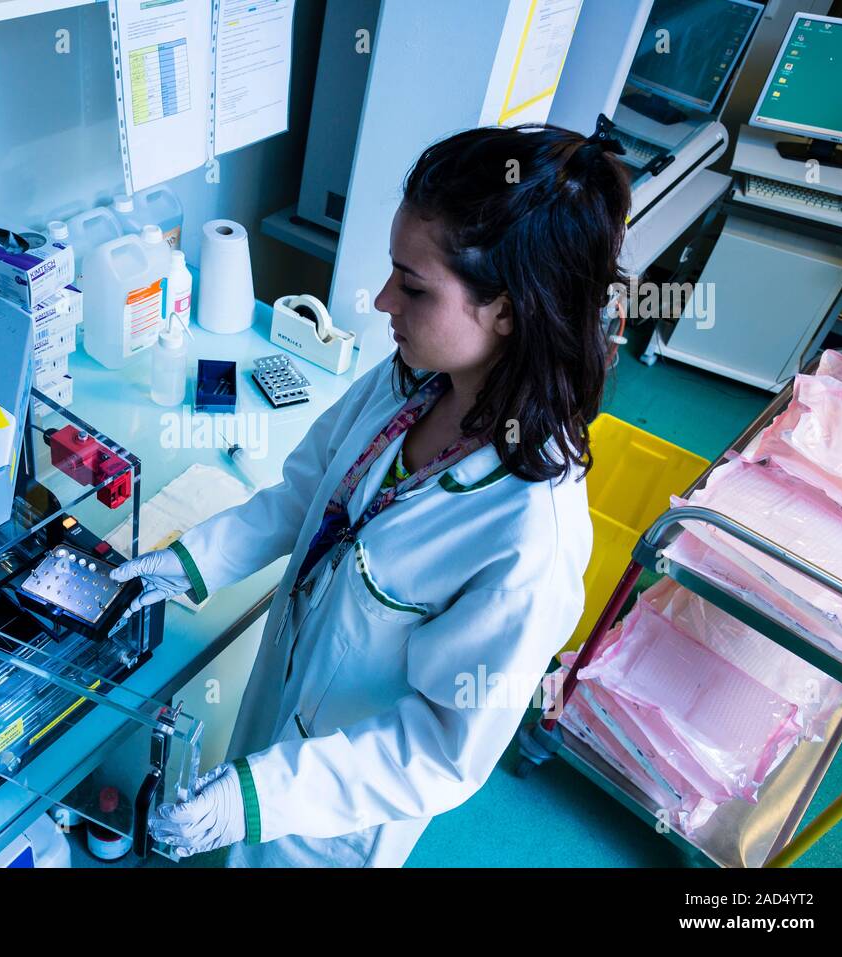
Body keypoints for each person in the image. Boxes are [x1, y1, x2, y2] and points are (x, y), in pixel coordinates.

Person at [111, 124, 632, 867]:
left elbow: (443, 748)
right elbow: (308, 493)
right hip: (277, 711)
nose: (382, 298)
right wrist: (189, 562)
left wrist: (258, 795)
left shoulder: (528, 536)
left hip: (337, 814)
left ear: (509, 310)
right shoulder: (412, 381)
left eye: (413, 286)